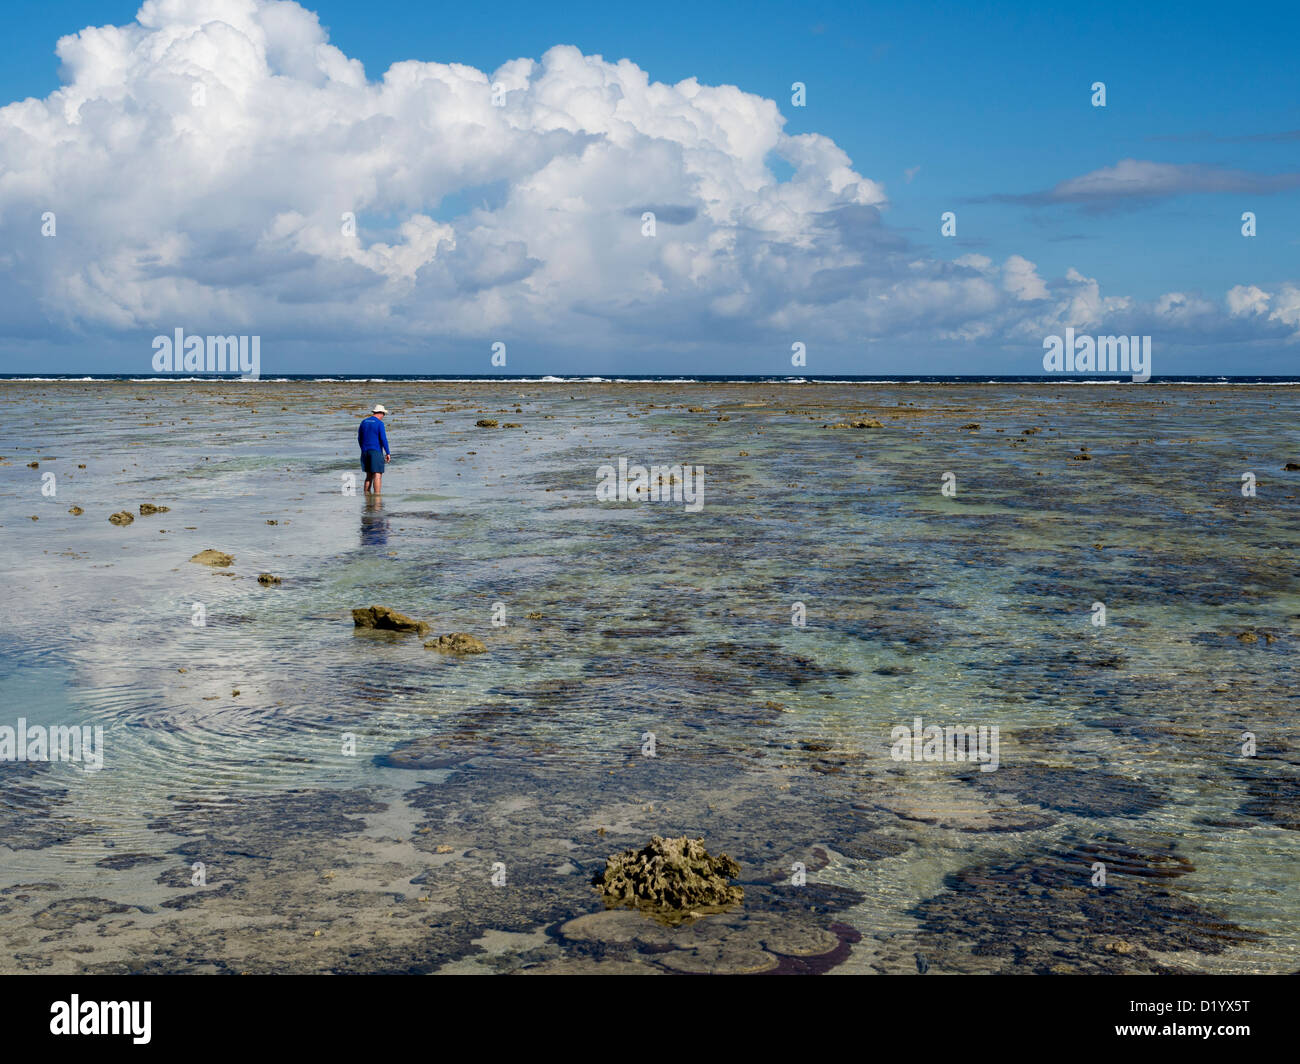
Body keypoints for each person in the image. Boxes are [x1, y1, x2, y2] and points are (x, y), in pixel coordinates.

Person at [358, 404, 391, 494]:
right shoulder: (379, 423)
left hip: (365, 452)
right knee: (377, 474)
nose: (383, 416)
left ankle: (367, 497)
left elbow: (359, 438)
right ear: (380, 413)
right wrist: (387, 453)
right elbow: (383, 439)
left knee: (368, 476)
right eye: (384, 414)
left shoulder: (363, 422)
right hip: (375, 451)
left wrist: (363, 449)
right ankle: (377, 498)